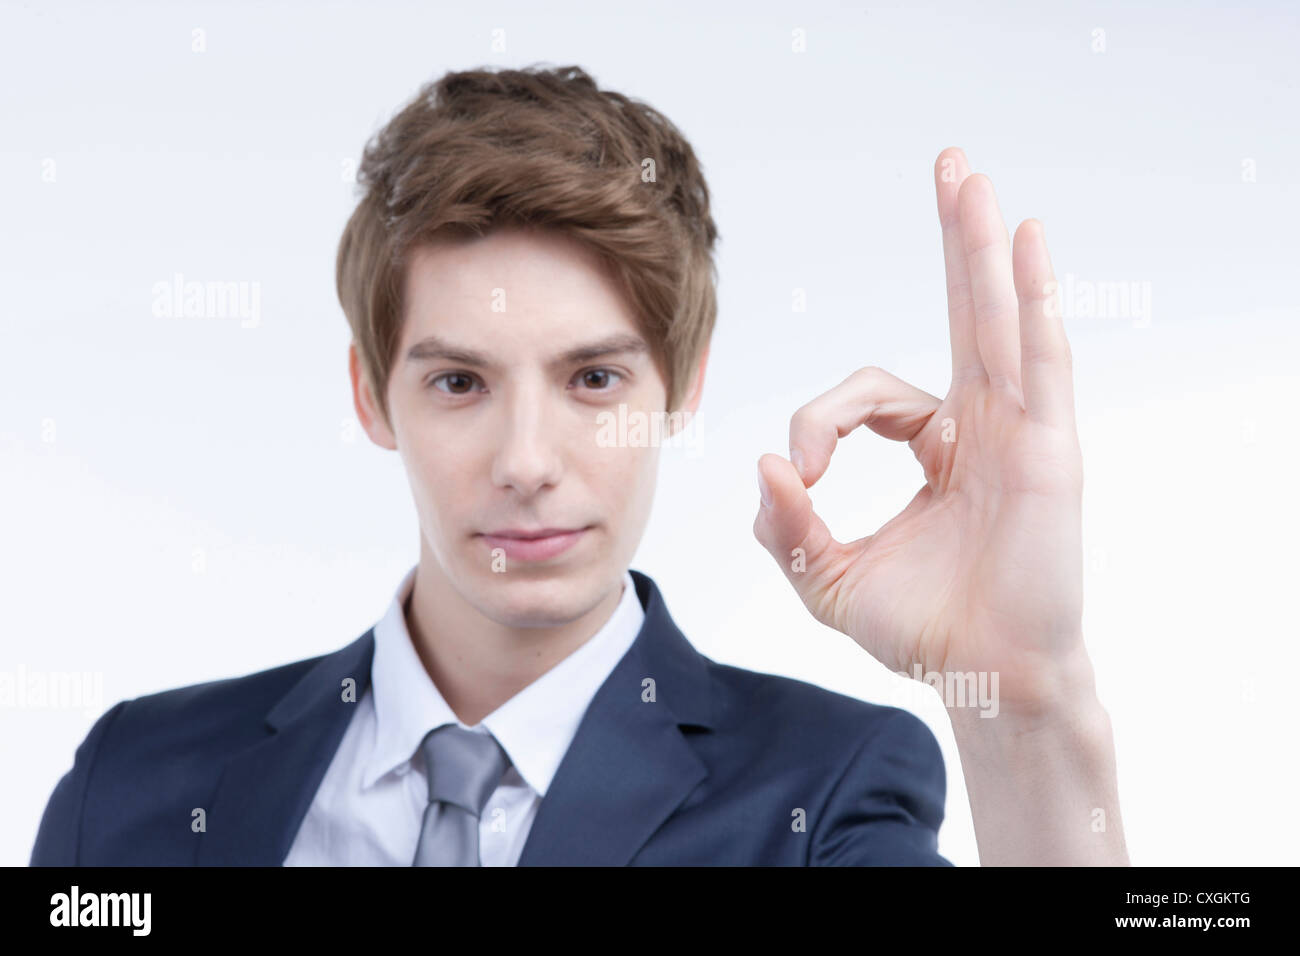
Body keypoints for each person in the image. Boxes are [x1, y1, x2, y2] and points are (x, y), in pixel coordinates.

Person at [30, 64, 1127, 866]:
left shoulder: (820, 796)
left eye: (593, 380)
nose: (525, 462)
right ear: (372, 394)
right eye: (459, 382)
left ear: (681, 385)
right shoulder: (134, 785)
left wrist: (1023, 704)